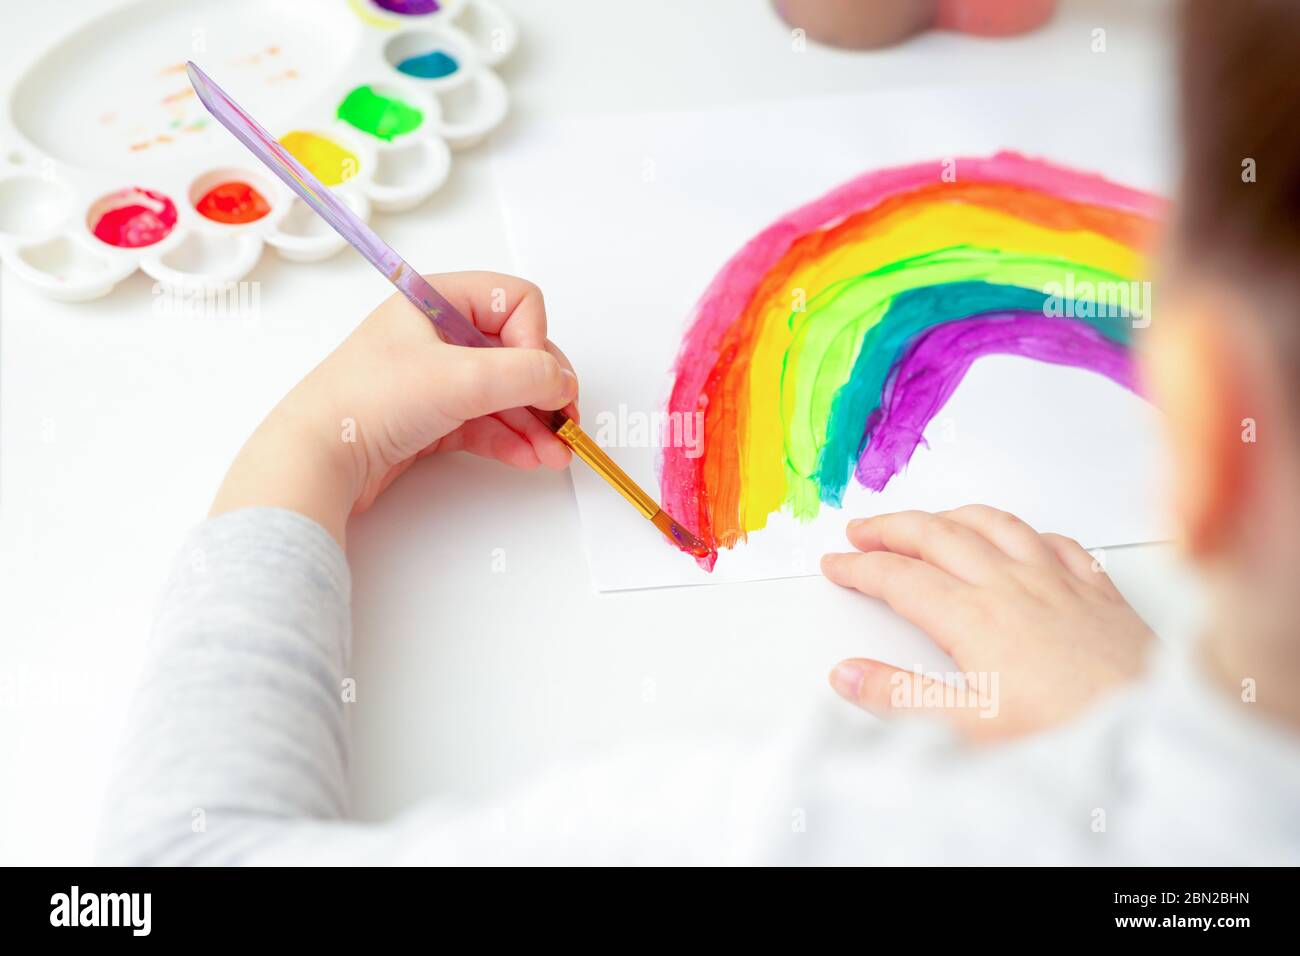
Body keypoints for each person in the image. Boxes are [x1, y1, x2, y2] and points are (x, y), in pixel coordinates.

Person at [97, 0, 1300, 864]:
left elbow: (182, 856)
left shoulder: (828, 827)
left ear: (1205, 433)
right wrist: (1132, 733)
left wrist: (310, 448)